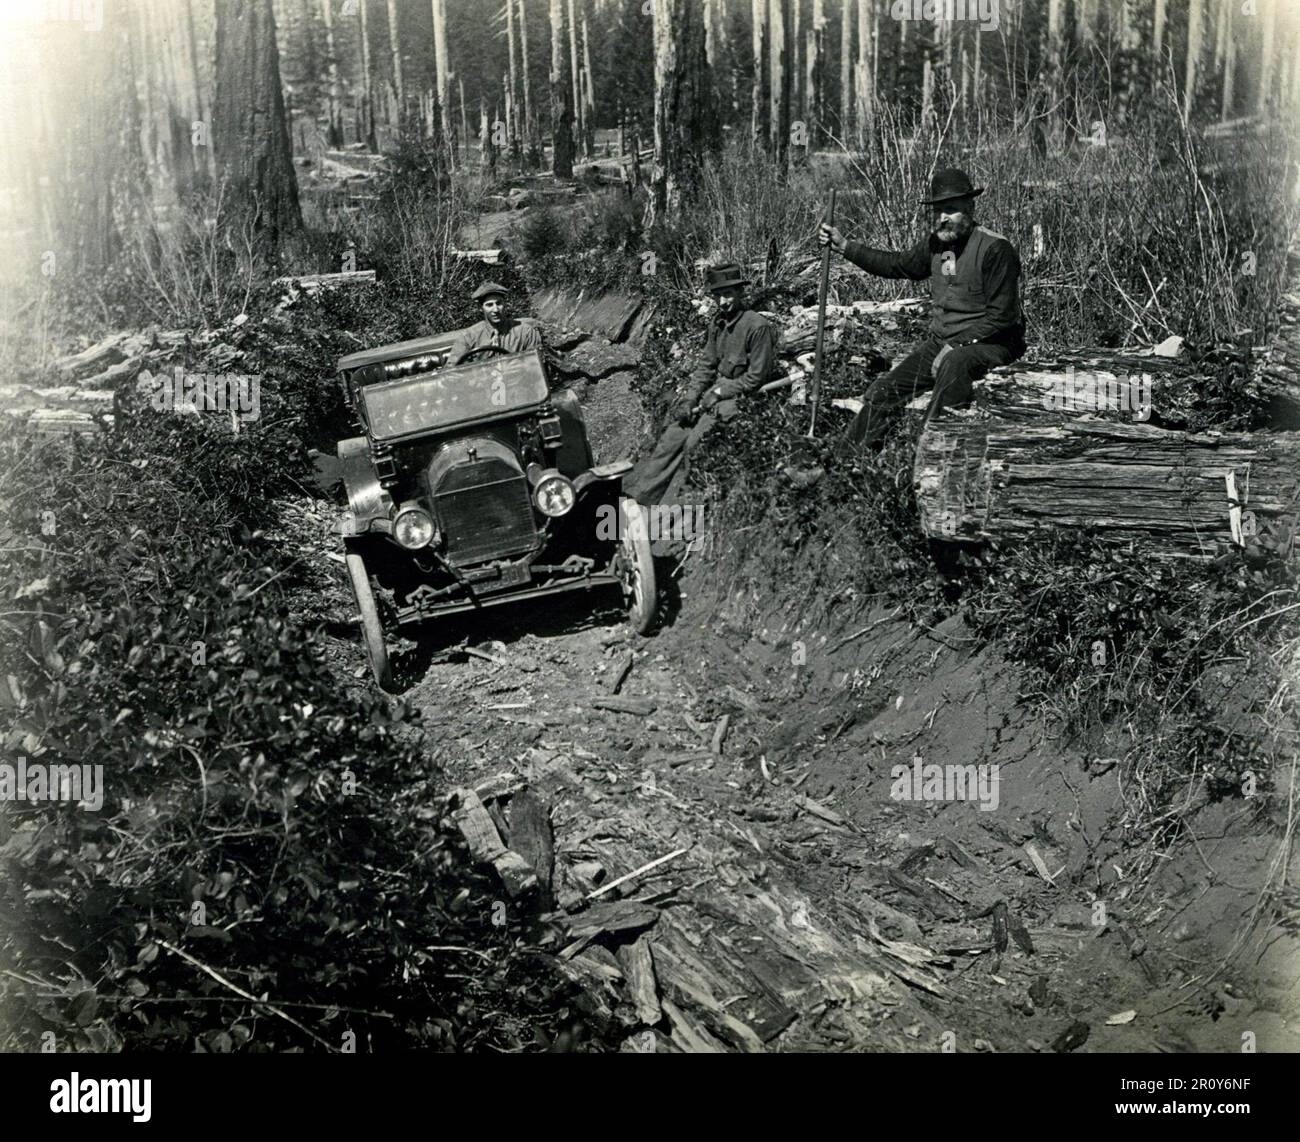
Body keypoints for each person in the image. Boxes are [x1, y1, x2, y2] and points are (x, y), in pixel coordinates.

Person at [818, 168, 1027, 451]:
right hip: (942, 343)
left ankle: (926, 454)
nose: (943, 217)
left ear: (969, 207)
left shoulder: (995, 248)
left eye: (951, 210)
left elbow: (1003, 317)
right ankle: (844, 465)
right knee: (883, 392)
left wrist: (956, 346)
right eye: (938, 210)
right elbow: (897, 265)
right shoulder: (936, 244)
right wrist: (845, 247)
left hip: (991, 345)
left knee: (955, 365)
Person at [625, 262, 776, 507]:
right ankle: (641, 499)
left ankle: (676, 509)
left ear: (740, 293)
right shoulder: (718, 323)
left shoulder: (757, 327)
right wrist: (690, 399)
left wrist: (719, 392)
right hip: (714, 393)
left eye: (728, 295)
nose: (723, 302)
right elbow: (706, 366)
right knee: (672, 435)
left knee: (696, 442)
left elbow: (756, 378)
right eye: (718, 296)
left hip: (743, 397)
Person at [447, 281, 543, 365]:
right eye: (489, 305)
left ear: (505, 304)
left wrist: (521, 365)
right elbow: (452, 372)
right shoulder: (468, 337)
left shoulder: (525, 332)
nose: (495, 309)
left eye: (499, 303)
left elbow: (537, 364)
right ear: (481, 308)